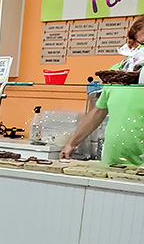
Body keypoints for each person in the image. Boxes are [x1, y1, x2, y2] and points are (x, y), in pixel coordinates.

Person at [61, 16, 144, 166]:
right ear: (131, 44)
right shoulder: (116, 73)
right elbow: (99, 111)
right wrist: (72, 143)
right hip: (112, 161)